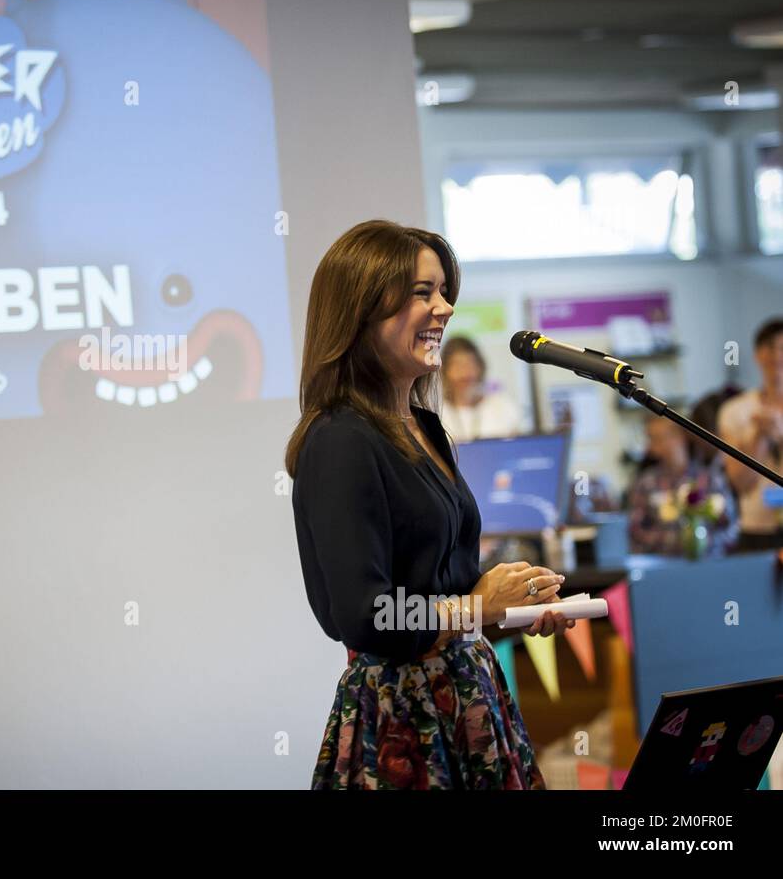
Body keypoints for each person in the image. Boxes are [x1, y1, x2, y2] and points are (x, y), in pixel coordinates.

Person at [286, 220, 571, 790]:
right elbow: (367, 616)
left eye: (443, 292)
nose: (443, 308)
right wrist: (474, 609)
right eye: (423, 293)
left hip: (466, 700)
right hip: (402, 723)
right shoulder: (340, 438)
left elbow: (446, 592)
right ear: (362, 309)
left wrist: (510, 605)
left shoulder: (426, 429)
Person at [626, 414, 738, 557]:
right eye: (650, 438)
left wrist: (702, 540)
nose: (651, 445)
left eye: (658, 438)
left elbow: (730, 527)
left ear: (679, 437)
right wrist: (678, 541)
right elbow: (635, 531)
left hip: (709, 561)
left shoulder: (710, 478)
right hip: (663, 565)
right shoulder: (646, 483)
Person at [717, 318, 783, 552]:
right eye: (771, 348)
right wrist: (760, 437)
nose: (777, 356)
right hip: (756, 530)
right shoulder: (735, 411)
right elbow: (740, 482)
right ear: (758, 355)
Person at [438, 335, 527, 442]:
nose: (465, 373)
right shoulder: (437, 413)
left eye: (470, 364)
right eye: (457, 365)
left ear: (480, 366)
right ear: (444, 370)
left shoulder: (503, 406)